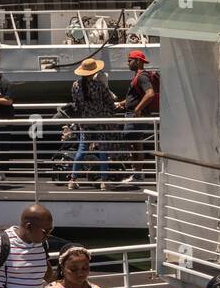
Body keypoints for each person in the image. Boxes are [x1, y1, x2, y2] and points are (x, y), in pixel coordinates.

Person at [67, 58, 118, 191]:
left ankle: (73, 179)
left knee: (82, 149)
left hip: (85, 122)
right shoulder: (99, 85)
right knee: (102, 150)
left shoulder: (75, 85)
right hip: (100, 121)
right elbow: (109, 102)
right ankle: (103, 181)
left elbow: (76, 105)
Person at [116, 49, 159, 185]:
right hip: (133, 114)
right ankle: (137, 173)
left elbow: (150, 93)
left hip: (135, 116)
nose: (128, 63)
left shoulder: (141, 76)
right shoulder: (137, 76)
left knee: (133, 144)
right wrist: (121, 104)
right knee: (135, 143)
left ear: (138, 61)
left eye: (130, 60)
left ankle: (137, 173)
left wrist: (137, 109)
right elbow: (134, 97)